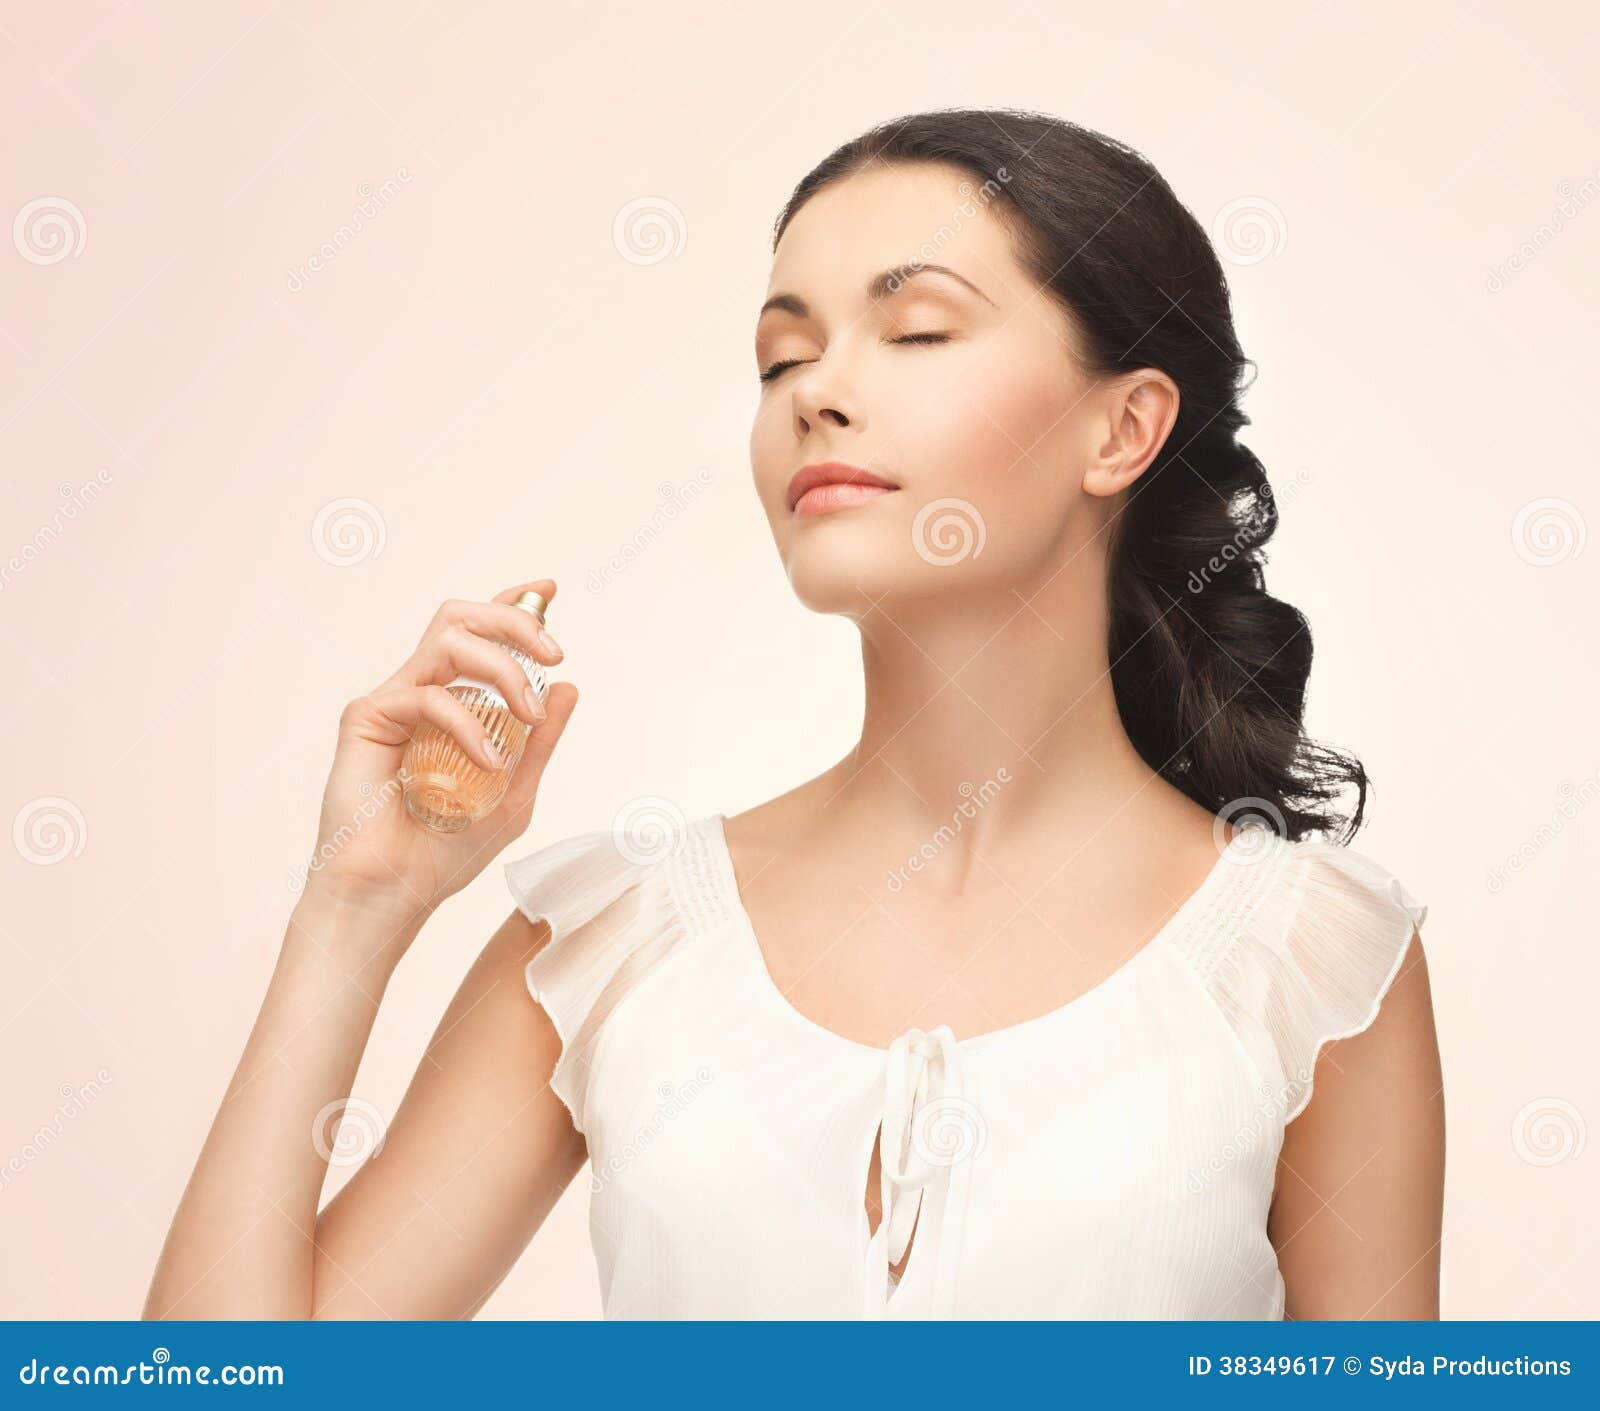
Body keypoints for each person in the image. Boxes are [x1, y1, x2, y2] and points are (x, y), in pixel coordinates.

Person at [145, 108, 1444, 1322]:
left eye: (919, 331)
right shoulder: (608, 942)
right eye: (783, 354)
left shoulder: (1318, 966)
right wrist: (352, 906)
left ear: (1123, 430)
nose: (816, 390)